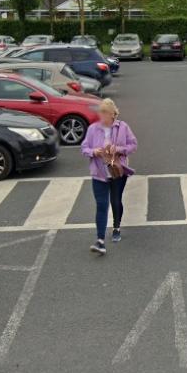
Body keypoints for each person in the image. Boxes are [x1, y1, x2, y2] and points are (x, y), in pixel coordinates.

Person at [80, 98, 138, 255]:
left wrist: (118, 149)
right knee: (101, 205)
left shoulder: (122, 127)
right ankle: (100, 241)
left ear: (113, 114)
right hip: (99, 174)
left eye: (105, 112)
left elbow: (133, 145)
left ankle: (116, 227)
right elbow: (84, 148)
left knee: (115, 201)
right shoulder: (93, 129)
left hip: (117, 171)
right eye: (101, 111)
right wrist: (94, 152)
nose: (102, 115)